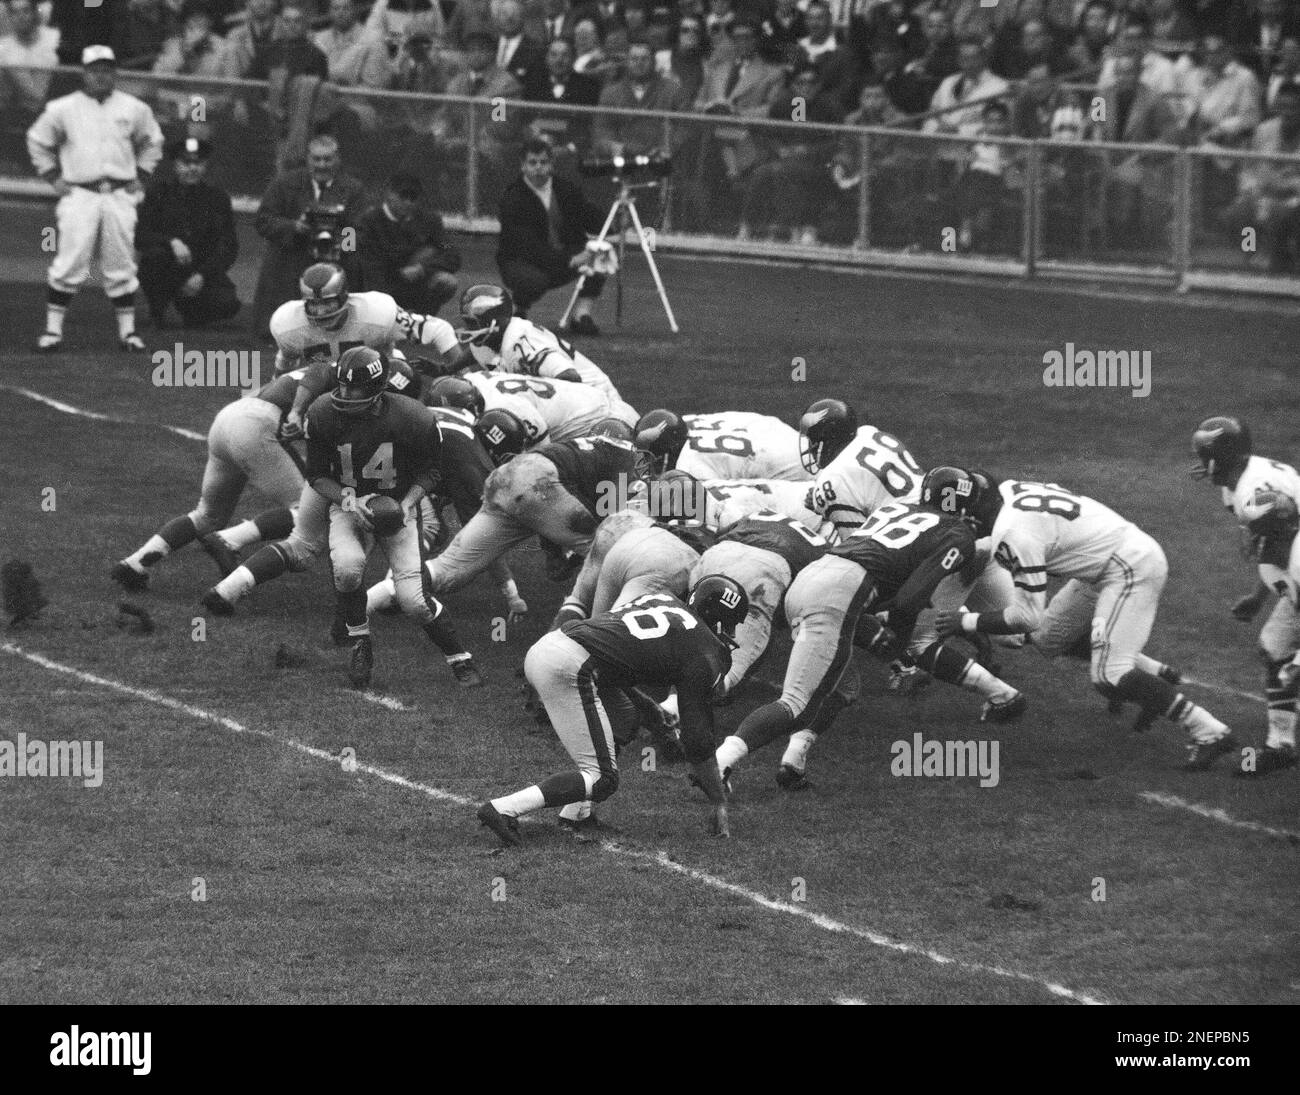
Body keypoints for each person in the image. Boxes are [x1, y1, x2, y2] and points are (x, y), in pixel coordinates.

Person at [934, 470, 1237, 771]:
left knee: (1110, 675)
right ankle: (1154, 677)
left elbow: (1026, 617)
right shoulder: (1010, 491)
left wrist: (965, 623)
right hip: (1106, 560)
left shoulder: (1012, 535)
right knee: (1048, 637)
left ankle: (1209, 730)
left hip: (1128, 567)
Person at [475, 577, 746, 846]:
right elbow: (697, 740)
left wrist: (648, 707)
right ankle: (503, 808)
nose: (732, 635)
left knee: (624, 719)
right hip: (572, 665)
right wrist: (718, 800)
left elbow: (617, 656)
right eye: (731, 624)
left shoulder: (665, 601)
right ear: (716, 616)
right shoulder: (704, 648)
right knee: (603, 778)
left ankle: (577, 813)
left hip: (558, 645)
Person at [304, 346, 483, 689]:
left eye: (355, 388)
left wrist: (405, 504)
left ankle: (460, 658)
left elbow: (430, 473)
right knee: (347, 567)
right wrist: (347, 498)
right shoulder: (322, 413)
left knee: (413, 602)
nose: (345, 394)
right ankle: (361, 643)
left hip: (397, 506)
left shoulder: (413, 418)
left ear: (378, 388)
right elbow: (316, 475)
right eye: (342, 385)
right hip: (348, 503)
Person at [26, 44, 164, 353]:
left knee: (121, 260)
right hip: (80, 193)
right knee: (71, 260)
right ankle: (52, 331)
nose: (101, 76)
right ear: (84, 73)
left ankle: (128, 333)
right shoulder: (62, 108)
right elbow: (37, 140)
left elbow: (153, 141)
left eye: (106, 70)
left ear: (114, 73)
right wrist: (52, 176)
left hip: (119, 192)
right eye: (94, 70)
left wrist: (140, 176)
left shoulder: (133, 107)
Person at [1191, 416, 1299, 776]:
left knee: (1289, 662)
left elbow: (1277, 537)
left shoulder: (1261, 502)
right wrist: (1257, 596)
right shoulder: (1241, 487)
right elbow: (1275, 549)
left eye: (1207, 455)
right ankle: (1279, 746)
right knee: (1274, 651)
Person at [251, 133, 367, 340]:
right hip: (294, 254)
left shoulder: (353, 189)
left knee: (355, 258)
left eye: (327, 159)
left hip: (335, 259)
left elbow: (359, 227)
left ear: (337, 159)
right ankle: (278, 322)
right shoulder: (284, 184)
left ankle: (341, 325)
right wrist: (293, 227)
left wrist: (341, 243)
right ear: (308, 159)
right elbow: (263, 220)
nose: (322, 165)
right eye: (316, 159)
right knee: (274, 330)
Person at [496, 135, 606, 333]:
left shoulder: (566, 189)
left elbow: (588, 215)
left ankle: (581, 315)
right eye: (533, 162)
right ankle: (518, 310)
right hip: (521, 261)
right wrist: (571, 260)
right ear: (523, 166)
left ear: (551, 164)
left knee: (602, 253)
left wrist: (612, 230)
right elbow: (527, 246)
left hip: (563, 254)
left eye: (543, 162)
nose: (538, 167)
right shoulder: (512, 198)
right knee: (534, 281)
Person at [136, 136, 240, 329]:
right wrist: (171, 242)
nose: (192, 168)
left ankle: (192, 309)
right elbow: (141, 235)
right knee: (154, 257)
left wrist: (202, 275)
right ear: (175, 165)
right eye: (186, 162)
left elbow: (229, 247)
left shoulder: (217, 198)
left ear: (205, 165)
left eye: (198, 163)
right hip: (166, 265)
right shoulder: (158, 193)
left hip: (200, 269)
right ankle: (157, 310)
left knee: (226, 304)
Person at [356, 172, 461, 315]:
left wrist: (422, 268)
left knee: (447, 282)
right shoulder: (369, 220)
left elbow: (452, 254)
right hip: (382, 281)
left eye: (414, 198)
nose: (408, 202)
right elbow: (365, 263)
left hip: (415, 283)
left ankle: (423, 318)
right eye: (403, 196)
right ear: (389, 195)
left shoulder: (430, 221)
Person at [1224, 80, 1300, 272]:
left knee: (1279, 213)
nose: (1288, 112)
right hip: (1265, 193)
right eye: (1283, 107)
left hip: (1295, 199)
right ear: (1276, 108)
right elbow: (1248, 169)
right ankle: (1249, 254)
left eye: (1293, 107)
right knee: (1241, 211)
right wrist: (1250, 191)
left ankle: (1279, 261)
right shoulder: (1264, 130)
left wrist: (1288, 187)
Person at [635, 408, 810, 482]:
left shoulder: (690, 468)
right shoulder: (681, 423)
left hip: (792, 463)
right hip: (772, 429)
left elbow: (717, 507)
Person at [0, 0, 60, 129]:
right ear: (9, 17)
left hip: (56, 113)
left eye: (25, 11)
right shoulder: (3, 50)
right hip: (19, 118)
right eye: (15, 13)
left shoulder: (55, 39)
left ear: (35, 13)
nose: (21, 17)